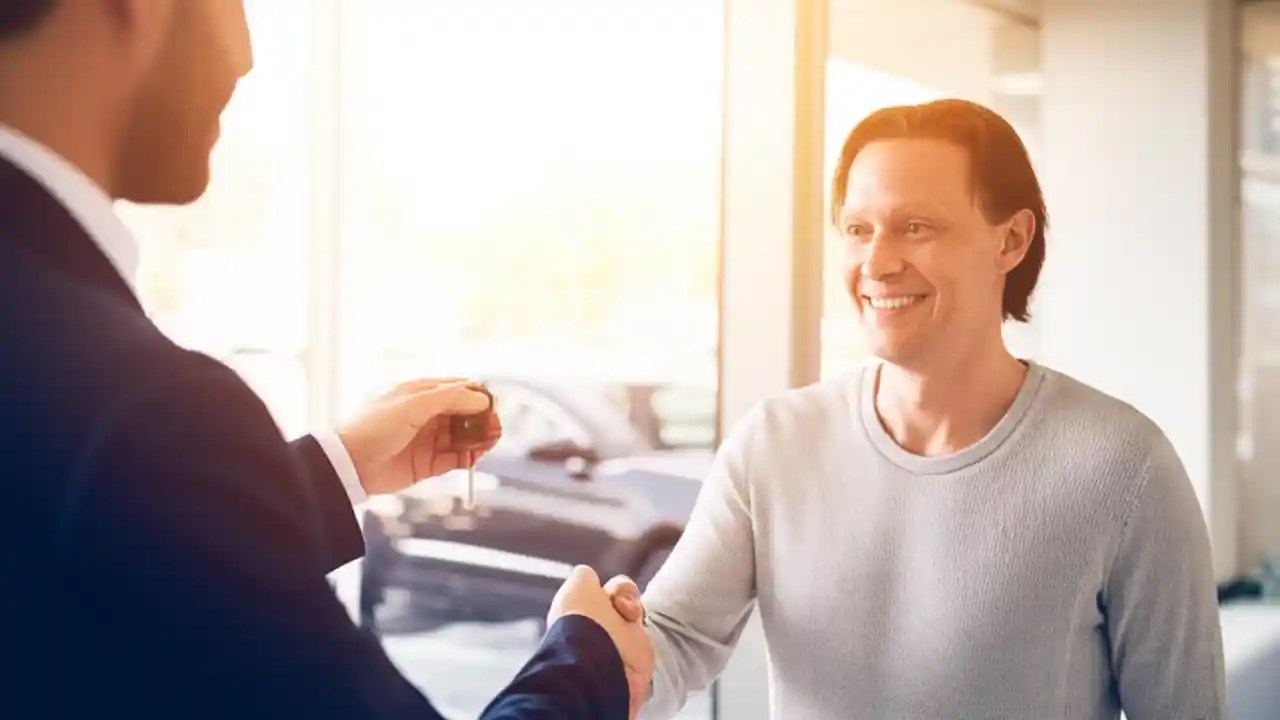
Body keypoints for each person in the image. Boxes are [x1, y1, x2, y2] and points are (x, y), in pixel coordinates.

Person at [0, 1, 651, 718]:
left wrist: (337, 466)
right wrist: (587, 660)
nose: (245, 55)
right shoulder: (145, 411)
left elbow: (106, 567)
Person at [607, 99, 1227, 718]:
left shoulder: (1124, 467)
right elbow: (672, 643)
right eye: (858, 230)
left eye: (916, 228)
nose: (877, 263)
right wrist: (599, 644)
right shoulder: (772, 445)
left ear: (1011, 239)